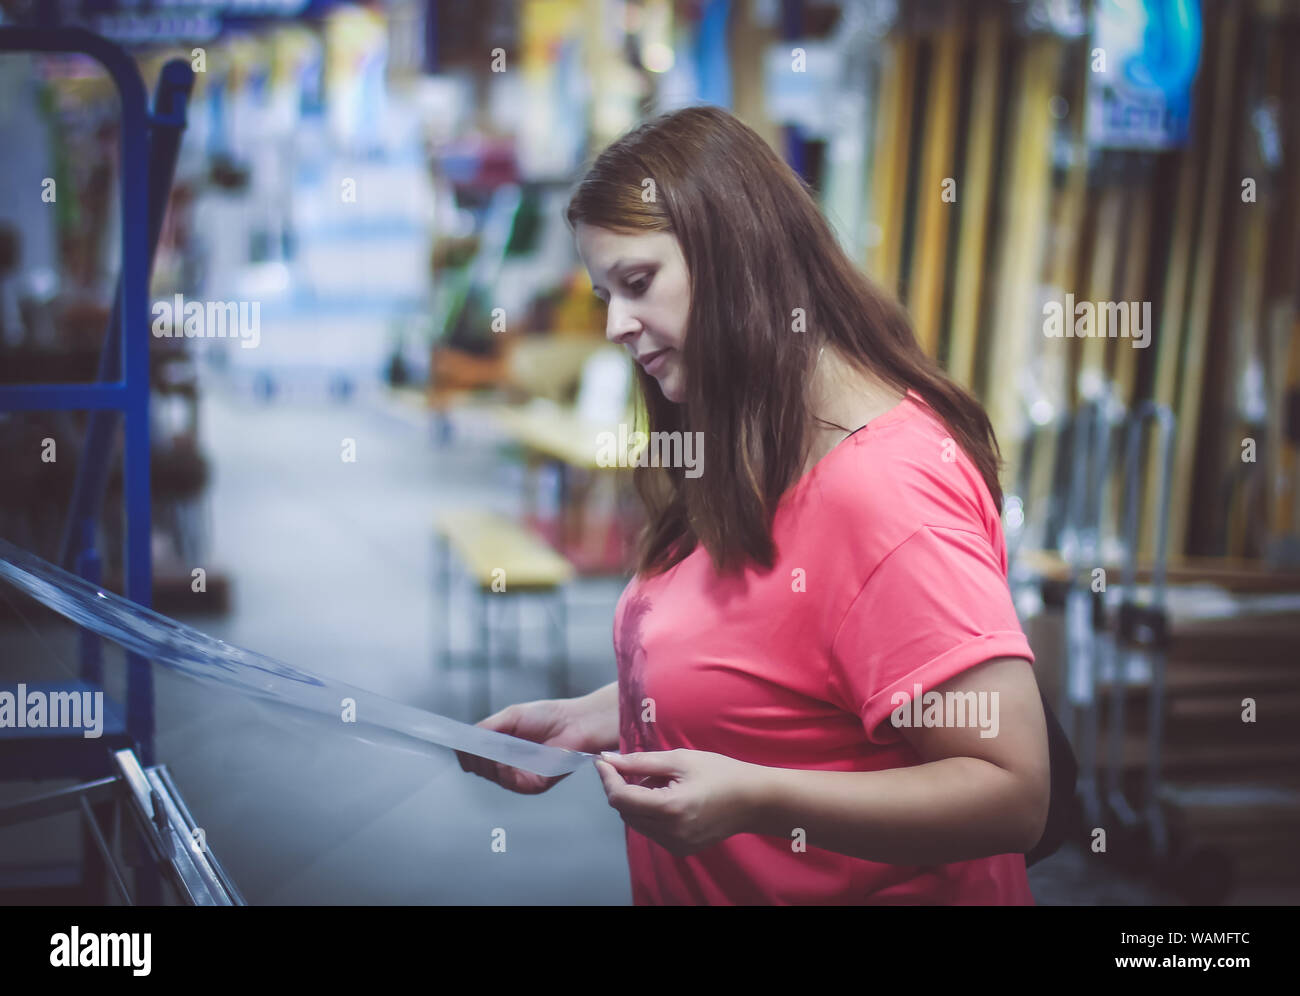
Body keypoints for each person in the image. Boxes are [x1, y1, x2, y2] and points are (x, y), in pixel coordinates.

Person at [457, 105, 1050, 905]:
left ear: (738, 256)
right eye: (605, 293)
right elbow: (773, 674)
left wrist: (759, 797)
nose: (614, 325)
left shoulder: (885, 490)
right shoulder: (756, 442)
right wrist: (602, 714)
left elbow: (1011, 790)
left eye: (637, 284)